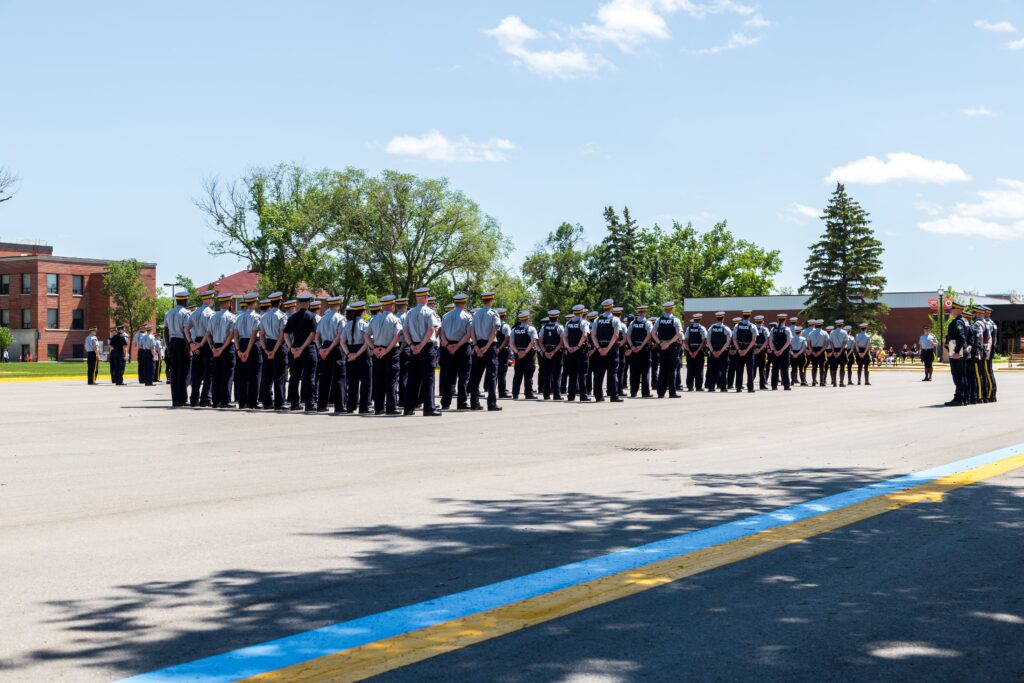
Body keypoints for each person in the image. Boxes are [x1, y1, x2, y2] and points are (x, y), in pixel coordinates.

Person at [402, 287, 442, 416]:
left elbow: (405, 330)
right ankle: (429, 408)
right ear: (426, 298)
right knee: (428, 379)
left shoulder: (410, 313)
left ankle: (409, 408)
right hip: (426, 347)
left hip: (413, 348)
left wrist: (412, 345)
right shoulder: (429, 312)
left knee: (413, 379)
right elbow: (431, 329)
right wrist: (421, 345)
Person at [282, 294, 318, 413]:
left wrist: (291, 347)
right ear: (308, 304)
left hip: (295, 350)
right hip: (308, 350)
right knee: (309, 377)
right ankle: (309, 404)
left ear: (298, 304)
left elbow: (286, 334)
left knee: (294, 377)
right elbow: (312, 335)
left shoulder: (293, 317)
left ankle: (294, 403)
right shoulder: (311, 316)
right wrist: (302, 348)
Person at [467, 291, 502, 411]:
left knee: (475, 376)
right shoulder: (493, 314)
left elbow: (472, 331)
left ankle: (474, 403)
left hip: (478, 345)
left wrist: (476, 346)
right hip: (489, 345)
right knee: (492, 375)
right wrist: (486, 347)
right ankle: (491, 404)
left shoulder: (475, 314)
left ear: (483, 301)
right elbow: (494, 332)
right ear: (491, 301)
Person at [369, 294, 403, 415]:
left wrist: (373, 348)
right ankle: (391, 407)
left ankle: (378, 408)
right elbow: (397, 335)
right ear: (392, 306)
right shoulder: (395, 319)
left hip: (377, 352)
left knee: (378, 380)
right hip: (390, 352)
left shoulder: (374, 319)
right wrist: (387, 350)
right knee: (391, 381)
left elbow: (366, 335)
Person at [439, 294, 473, 410]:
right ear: (464, 303)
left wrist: (448, 345)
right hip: (462, 347)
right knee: (463, 377)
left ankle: (445, 402)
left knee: (449, 376)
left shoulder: (446, 315)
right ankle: (462, 402)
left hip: (448, 347)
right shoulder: (467, 316)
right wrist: (457, 346)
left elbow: (441, 333)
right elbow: (468, 334)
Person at [313, 296, 345, 413]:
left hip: (324, 347)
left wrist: (321, 349)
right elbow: (339, 336)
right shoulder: (340, 319)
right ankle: (339, 406)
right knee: (339, 378)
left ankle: (322, 405)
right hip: (335, 349)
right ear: (338, 305)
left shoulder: (322, 319)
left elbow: (316, 337)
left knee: (325, 378)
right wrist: (329, 349)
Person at [232, 293, 263, 410]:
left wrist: (239, 350)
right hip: (252, 345)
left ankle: (242, 402)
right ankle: (252, 402)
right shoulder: (257, 317)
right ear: (254, 303)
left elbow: (235, 334)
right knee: (254, 375)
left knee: (242, 375)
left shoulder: (238, 317)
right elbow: (254, 335)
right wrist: (248, 351)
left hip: (241, 343)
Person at [258, 293, 289, 410]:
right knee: (279, 376)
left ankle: (267, 402)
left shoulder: (264, 316)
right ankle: (279, 403)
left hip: (268, 344)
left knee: (267, 375)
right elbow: (282, 336)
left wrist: (266, 350)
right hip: (278, 346)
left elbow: (261, 335)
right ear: (280, 302)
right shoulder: (282, 316)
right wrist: (274, 350)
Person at [206, 294, 237, 407]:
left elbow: (208, 334)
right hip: (226, 347)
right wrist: (222, 348)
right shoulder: (231, 317)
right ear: (229, 303)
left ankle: (215, 400)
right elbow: (231, 335)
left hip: (215, 346)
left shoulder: (212, 317)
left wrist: (213, 348)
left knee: (216, 374)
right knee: (227, 375)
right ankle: (225, 400)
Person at [589, 299, 623, 402]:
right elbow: (616, 335)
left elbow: (593, 335)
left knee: (598, 373)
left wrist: (599, 348)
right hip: (611, 349)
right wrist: (608, 348)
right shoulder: (615, 319)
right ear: (612, 308)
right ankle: (614, 396)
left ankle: (598, 397)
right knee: (612, 373)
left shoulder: (597, 320)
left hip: (600, 350)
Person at [342, 301, 372, 414]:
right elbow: (366, 342)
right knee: (365, 382)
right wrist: (357, 354)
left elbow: (342, 342)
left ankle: (351, 406)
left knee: (352, 382)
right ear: (363, 312)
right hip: (362, 353)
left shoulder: (347, 325)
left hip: (350, 351)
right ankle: (363, 407)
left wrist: (349, 354)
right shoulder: (365, 324)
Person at [163, 292, 192, 405]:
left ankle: (175, 399)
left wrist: (168, 347)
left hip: (172, 342)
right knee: (184, 372)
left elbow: (166, 331)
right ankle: (183, 398)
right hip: (181, 342)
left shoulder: (168, 313)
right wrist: (189, 348)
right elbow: (185, 332)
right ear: (185, 301)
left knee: (174, 372)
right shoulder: (186, 313)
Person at [650, 301, 682, 398]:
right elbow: (679, 334)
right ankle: (672, 392)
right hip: (672, 347)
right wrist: (669, 343)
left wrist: (660, 342)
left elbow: (653, 333)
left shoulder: (659, 320)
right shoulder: (675, 320)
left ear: (665, 309)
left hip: (662, 347)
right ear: (672, 309)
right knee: (672, 370)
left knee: (662, 369)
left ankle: (660, 392)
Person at [944, 302, 969, 406]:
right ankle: (964, 398)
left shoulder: (957, 322)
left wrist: (957, 351)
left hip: (956, 351)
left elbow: (961, 338)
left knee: (958, 376)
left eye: (952, 309)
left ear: (957, 310)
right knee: (961, 375)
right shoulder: (963, 321)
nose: (950, 311)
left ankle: (959, 398)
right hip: (955, 348)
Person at [509, 310, 538, 400]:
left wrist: (518, 352)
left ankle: (515, 394)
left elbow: (511, 343)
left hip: (518, 355)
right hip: (528, 355)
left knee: (517, 374)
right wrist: (525, 352)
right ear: (527, 319)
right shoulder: (531, 329)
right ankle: (528, 394)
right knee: (528, 375)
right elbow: (533, 341)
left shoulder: (514, 330)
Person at [535, 310, 564, 401]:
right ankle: (556, 395)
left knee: (546, 374)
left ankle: (546, 395)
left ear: (549, 318)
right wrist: (554, 352)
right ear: (557, 317)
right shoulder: (559, 327)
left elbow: (540, 341)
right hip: (556, 353)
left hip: (546, 352)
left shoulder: (544, 327)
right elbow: (561, 342)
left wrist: (545, 352)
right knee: (556, 375)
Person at [704, 312, 731, 392]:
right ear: (723, 318)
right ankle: (723, 388)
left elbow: (708, 341)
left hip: (713, 351)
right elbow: (728, 342)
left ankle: (711, 387)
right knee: (723, 370)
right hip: (723, 352)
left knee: (713, 370)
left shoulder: (711, 328)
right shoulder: (726, 329)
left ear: (717, 318)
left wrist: (712, 351)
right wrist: (720, 351)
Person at [732, 310, 757, 393]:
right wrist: (746, 350)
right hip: (749, 350)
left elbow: (734, 339)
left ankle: (738, 388)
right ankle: (750, 388)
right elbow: (753, 340)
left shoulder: (737, 326)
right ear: (749, 316)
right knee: (750, 370)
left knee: (739, 369)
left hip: (740, 349)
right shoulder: (752, 326)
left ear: (743, 316)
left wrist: (739, 349)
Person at [767, 313, 792, 390]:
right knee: (784, 369)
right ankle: (786, 386)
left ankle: (774, 386)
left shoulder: (773, 329)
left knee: (775, 369)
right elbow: (788, 341)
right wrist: (781, 350)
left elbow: (770, 340)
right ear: (785, 320)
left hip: (775, 351)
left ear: (778, 320)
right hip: (784, 351)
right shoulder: (787, 329)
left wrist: (774, 350)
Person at [683, 313, 706, 392]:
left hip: (690, 350)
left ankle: (690, 386)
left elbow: (685, 341)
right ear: (700, 319)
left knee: (690, 369)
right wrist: (696, 352)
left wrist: (689, 351)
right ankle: (698, 387)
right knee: (699, 369)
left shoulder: (689, 329)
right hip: (698, 351)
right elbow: (703, 341)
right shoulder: (702, 328)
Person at [979, 305, 998, 402]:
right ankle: (992, 393)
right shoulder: (992, 323)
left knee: (987, 371)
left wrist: (988, 350)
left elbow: (989, 338)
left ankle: (991, 394)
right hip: (990, 349)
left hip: (988, 349)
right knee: (988, 371)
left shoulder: (987, 323)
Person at [495, 308, 512, 399]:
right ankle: (502, 391)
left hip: (493, 350)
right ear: (504, 316)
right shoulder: (505, 326)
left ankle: (492, 390)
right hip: (502, 351)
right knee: (502, 372)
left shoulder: (493, 325)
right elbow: (507, 339)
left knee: (494, 372)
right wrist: (500, 348)